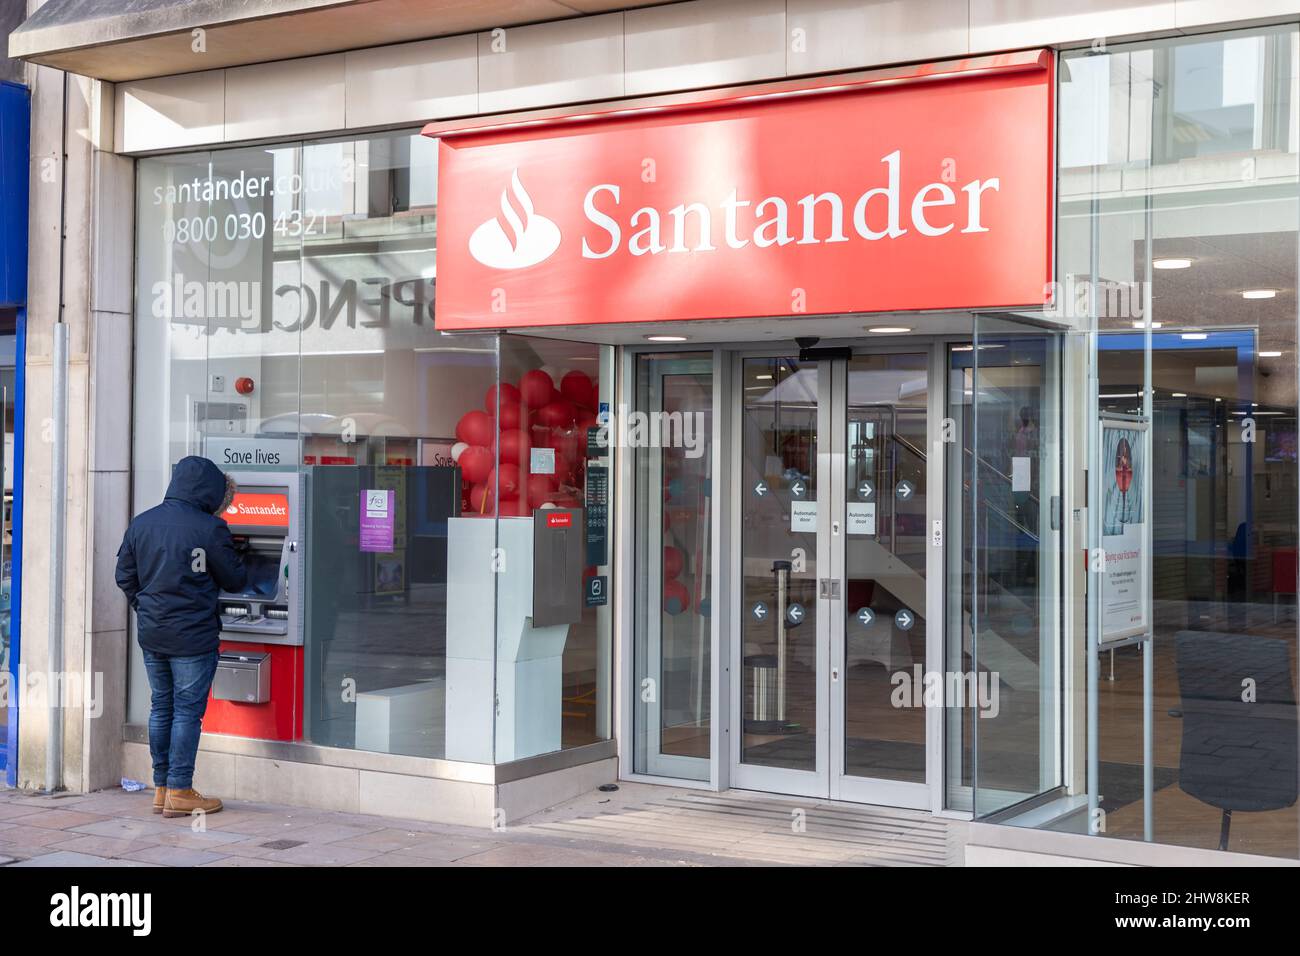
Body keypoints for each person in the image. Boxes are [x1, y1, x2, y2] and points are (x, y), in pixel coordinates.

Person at [115, 456, 246, 818]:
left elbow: (124, 576)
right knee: (187, 713)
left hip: (154, 634)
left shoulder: (142, 523)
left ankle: (161, 789)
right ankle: (180, 790)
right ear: (208, 489)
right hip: (193, 636)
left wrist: (148, 607)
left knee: (162, 707)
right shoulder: (209, 529)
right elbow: (235, 579)